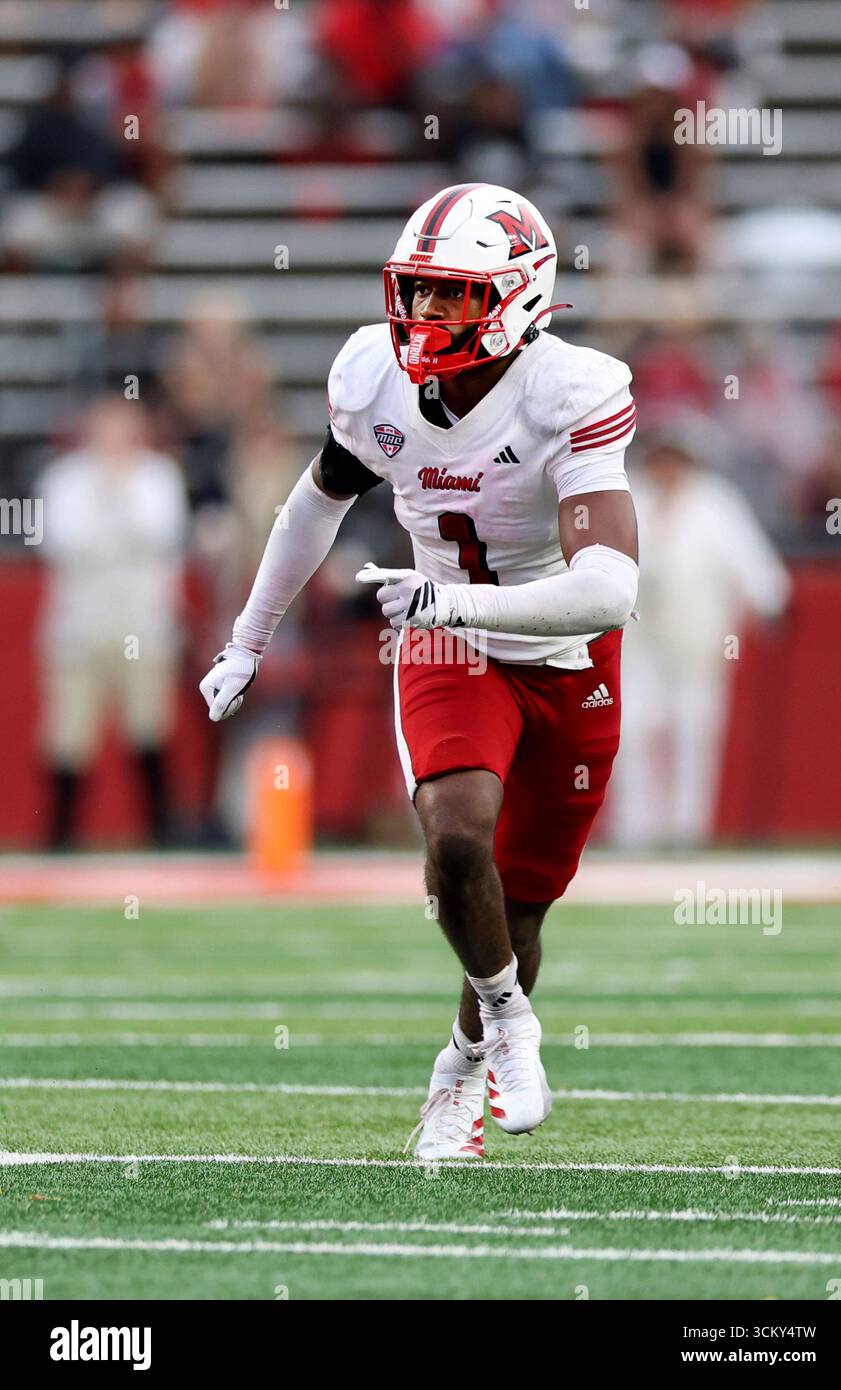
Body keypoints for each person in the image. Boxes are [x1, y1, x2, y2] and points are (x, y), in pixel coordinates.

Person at [199, 184, 639, 1159]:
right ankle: (509, 1023)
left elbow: (607, 588)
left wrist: (455, 603)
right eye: (416, 291)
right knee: (452, 838)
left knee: (520, 898)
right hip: (444, 639)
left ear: (518, 297)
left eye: (451, 296)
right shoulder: (374, 377)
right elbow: (313, 504)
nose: (423, 316)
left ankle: (461, 1061)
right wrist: (249, 635)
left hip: (560, 650)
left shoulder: (572, 389)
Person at [611, 422, 790, 848]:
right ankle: (635, 833)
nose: (667, 467)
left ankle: (686, 832)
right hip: (640, 642)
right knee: (633, 733)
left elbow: (754, 562)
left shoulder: (716, 502)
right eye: (661, 458)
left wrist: (770, 603)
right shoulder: (630, 496)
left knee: (694, 734)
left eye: (675, 459)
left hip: (699, 644)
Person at [39, 399, 188, 847]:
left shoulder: (158, 476)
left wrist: (116, 497)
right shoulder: (65, 478)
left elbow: (160, 533)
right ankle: (61, 837)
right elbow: (65, 542)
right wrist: (112, 501)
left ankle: (161, 832)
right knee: (68, 734)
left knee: (149, 727)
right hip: (79, 627)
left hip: (143, 625)